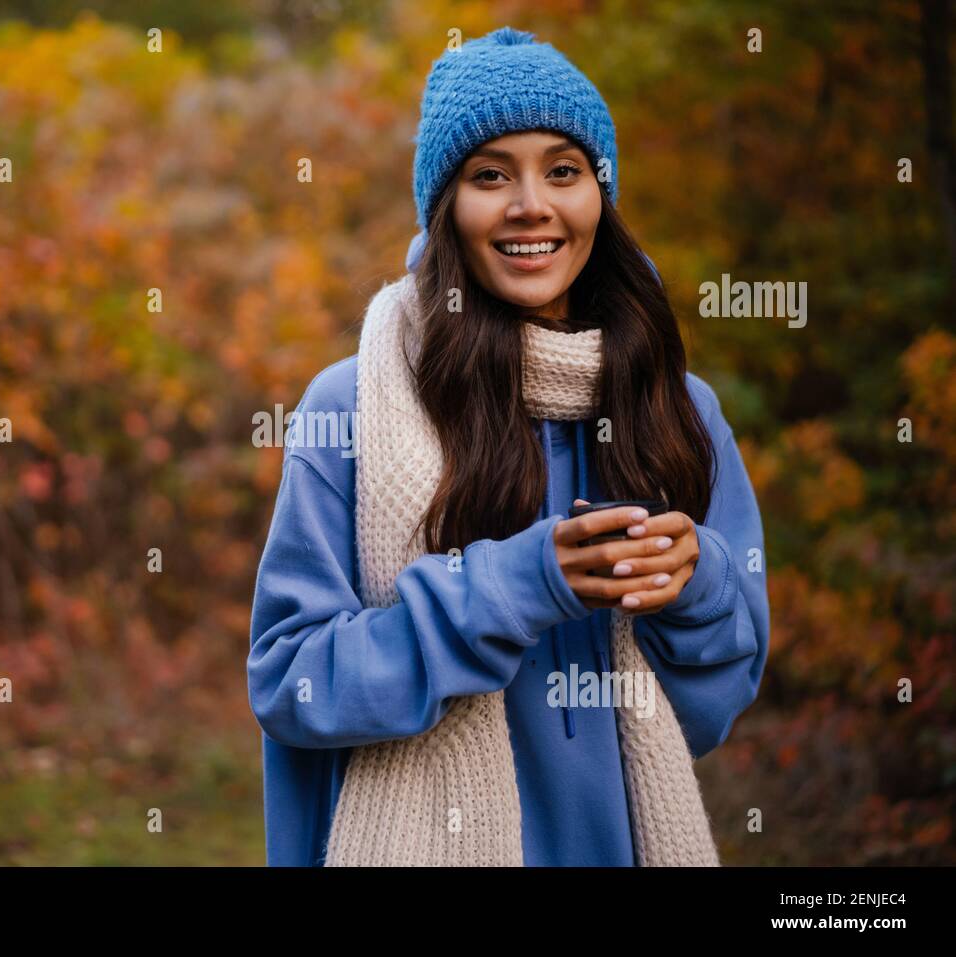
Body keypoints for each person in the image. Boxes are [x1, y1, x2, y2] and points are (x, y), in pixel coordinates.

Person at [247, 26, 769, 866]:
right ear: (446, 205)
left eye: (564, 170)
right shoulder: (350, 404)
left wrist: (696, 587)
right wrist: (518, 586)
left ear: (599, 193)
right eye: (491, 175)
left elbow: (710, 711)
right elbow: (291, 682)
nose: (532, 204)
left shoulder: (675, 407)